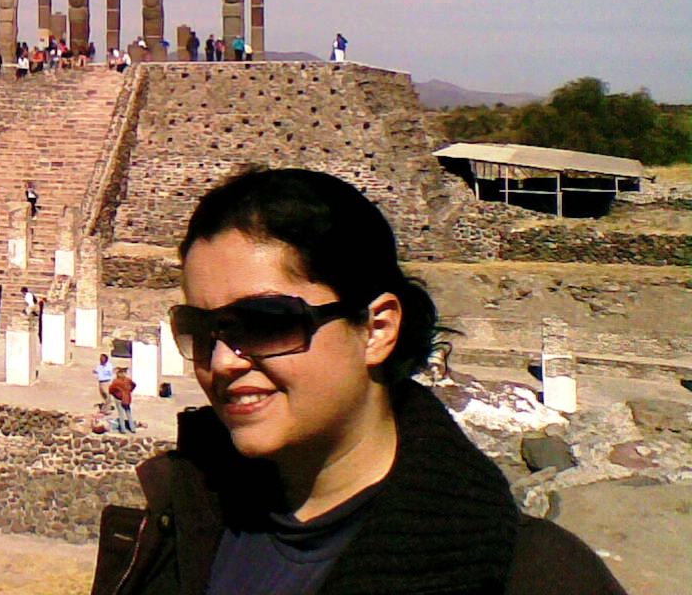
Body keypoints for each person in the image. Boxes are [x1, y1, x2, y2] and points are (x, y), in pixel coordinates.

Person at [89, 168, 625, 595]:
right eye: (201, 329)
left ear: (377, 329)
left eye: (267, 323)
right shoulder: (177, 524)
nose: (224, 361)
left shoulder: (536, 577)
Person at [109, 367, 137, 434]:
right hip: (127, 398)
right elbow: (134, 385)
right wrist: (129, 391)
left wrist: (116, 395)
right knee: (128, 413)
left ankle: (123, 429)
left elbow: (111, 389)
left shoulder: (116, 381)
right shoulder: (128, 380)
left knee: (121, 414)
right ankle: (132, 428)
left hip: (119, 399)